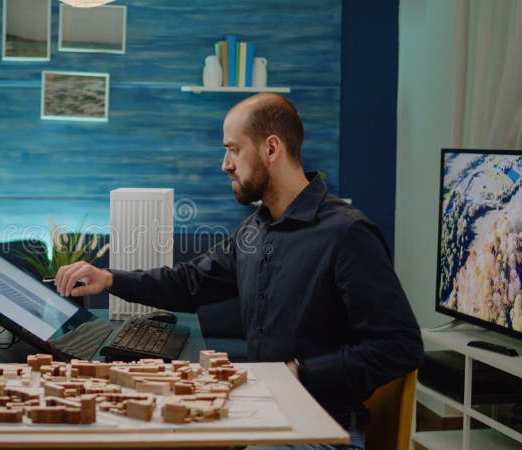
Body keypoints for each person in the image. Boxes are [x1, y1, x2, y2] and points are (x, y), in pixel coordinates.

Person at [54, 93, 424, 449]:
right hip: (265, 412)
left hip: (323, 429)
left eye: (233, 149)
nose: (225, 164)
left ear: (271, 148)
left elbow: (400, 347)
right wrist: (110, 279)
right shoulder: (255, 229)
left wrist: (299, 373)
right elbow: (190, 283)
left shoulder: (347, 234)